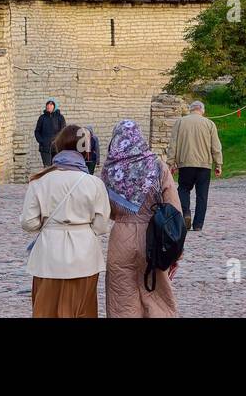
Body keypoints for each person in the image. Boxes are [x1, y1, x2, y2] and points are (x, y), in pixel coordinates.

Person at [20, 124, 112, 318]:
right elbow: (102, 226)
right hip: (84, 255)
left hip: (48, 254)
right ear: (86, 150)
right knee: (82, 311)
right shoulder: (94, 183)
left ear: (58, 146)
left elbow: (28, 223)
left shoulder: (40, 181)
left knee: (45, 311)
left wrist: (49, 224)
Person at [102, 119, 182, 318]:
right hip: (154, 236)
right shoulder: (157, 166)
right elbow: (173, 208)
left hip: (121, 235)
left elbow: (106, 210)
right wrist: (177, 251)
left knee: (122, 301)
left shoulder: (109, 171)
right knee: (158, 297)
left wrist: (124, 214)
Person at [170, 101, 222, 232]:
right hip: (204, 165)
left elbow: (173, 144)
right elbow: (216, 146)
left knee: (183, 189)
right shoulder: (209, 124)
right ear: (202, 110)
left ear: (190, 109)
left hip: (185, 163)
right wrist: (218, 164)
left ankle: (185, 213)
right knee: (202, 195)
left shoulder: (180, 122)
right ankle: (198, 224)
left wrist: (171, 162)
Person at [34, 99, 65, 169]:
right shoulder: (42, 118)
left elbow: (63, 131)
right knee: (47, 168)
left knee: (56, 167)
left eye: (51, 104)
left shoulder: (60, 117)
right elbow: (37, 131)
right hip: (45, 148)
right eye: (47, 104)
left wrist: (59, 142)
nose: (48, 106)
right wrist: (42, 141)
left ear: (54, 106)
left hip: (57, 148)